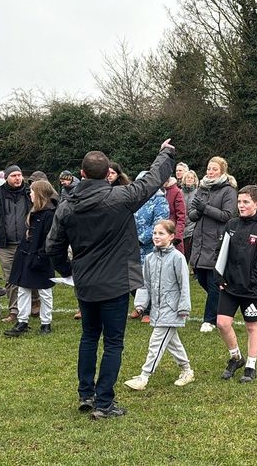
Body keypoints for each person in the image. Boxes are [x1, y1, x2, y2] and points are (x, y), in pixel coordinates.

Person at [45, 139, 175, 420]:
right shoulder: (120, 198)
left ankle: (87, 393)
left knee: (89, 335)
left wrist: (67, 270)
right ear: (107, 174)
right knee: (113, 341)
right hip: (115, 282)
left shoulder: (68, 206)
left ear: (82, 173)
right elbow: (152, 181)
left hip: (88, 281)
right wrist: (165, 153)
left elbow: (53, 246)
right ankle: (103, 402)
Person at [123, 219, 194, 390]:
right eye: (155, 233)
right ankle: (187, 370)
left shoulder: (178, 258)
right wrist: (140, 304)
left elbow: (184, 284)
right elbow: (145, 283)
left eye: (161, 233)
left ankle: (144, 376)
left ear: (171, 236)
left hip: (172, 310)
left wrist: (183, 307)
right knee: (172, 343)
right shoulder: (149, 258)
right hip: (157, 309)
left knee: (156, 343)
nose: (156, 236)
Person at [215, 185, 257, 383]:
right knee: (222, 323)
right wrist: (219, 275)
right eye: (239, 202)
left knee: (252, 327)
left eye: (246, 202)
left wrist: (252, 279)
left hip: (251, 289)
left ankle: (250, 365)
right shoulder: (231, 224)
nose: (241, 205)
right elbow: (220, 251)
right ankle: (236, 357)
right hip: (230, 286)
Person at [4, 180, 68, 336]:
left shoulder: (50, 214)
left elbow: (49, 239)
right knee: (23, 289)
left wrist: (40, 256)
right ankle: (22, 321)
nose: (29, 194)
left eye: (32, 191)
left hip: (41, 258)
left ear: (39, 193)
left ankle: (46, 323)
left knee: (45, 291)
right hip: (26, 256)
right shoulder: (34, 211)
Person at [189, 156, 238, 333]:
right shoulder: (202, 188)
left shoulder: (228, 191)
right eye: (209, 168)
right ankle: (223, 305)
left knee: (212, 281)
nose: (210, 172)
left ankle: (209, 320)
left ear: (222, 171)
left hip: (216, 241)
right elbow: (192, 215)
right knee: (201, 277)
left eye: (214, 169)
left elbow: (227, 215)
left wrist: (205, 208)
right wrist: (196, 210)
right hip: (200, 241)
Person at [0, 165, 32, 323]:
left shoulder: (29, 193)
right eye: (14, 176)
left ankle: (36, 305)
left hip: (27, 243)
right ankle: (14, 311)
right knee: (10, 279)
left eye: (20, 175)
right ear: (7, 178)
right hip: (6, 244)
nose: (17, 178)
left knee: (31, 275)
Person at [130, 172, 170, 323]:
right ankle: (140, 305)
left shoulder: (159, 200)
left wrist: (142, 239)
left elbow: (160, 223)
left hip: (150, 246)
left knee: (150, 279)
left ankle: (150, 310)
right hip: (131, 245)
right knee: (133, 278)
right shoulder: (134, 199)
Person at [163, 176, 186, 254]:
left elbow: (181, 216)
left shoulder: (176, 192)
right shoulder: (157, 191)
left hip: (172, 233)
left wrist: (177, 236)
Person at [180, 170, 199, 260]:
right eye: (188, 177)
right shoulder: (179, 192)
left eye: (192, 178)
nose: (190, 179)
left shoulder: (198, 193)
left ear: (195, 180)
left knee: (188, 253)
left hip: (192, 226)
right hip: (181, 226)